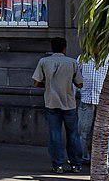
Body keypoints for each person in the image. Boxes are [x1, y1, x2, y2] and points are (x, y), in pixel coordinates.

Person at [33, 36, 84, 173]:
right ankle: (76, 164)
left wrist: (49, 84)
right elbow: (80, 83)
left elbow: (36, 83)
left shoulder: (44, 61)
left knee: (55, 134)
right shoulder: (72, 62)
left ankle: (58, 164)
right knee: (73, 134)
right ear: (64, 48)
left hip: (51, 102)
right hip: (69, 103)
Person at [78, 53, 109, 169]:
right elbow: (76, 75)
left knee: (106, 131)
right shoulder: (83, 58)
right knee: (83, 131)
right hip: (87, 99)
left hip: (104, 100)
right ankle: (84, 157)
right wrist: (74, 92)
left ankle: (104, 159)